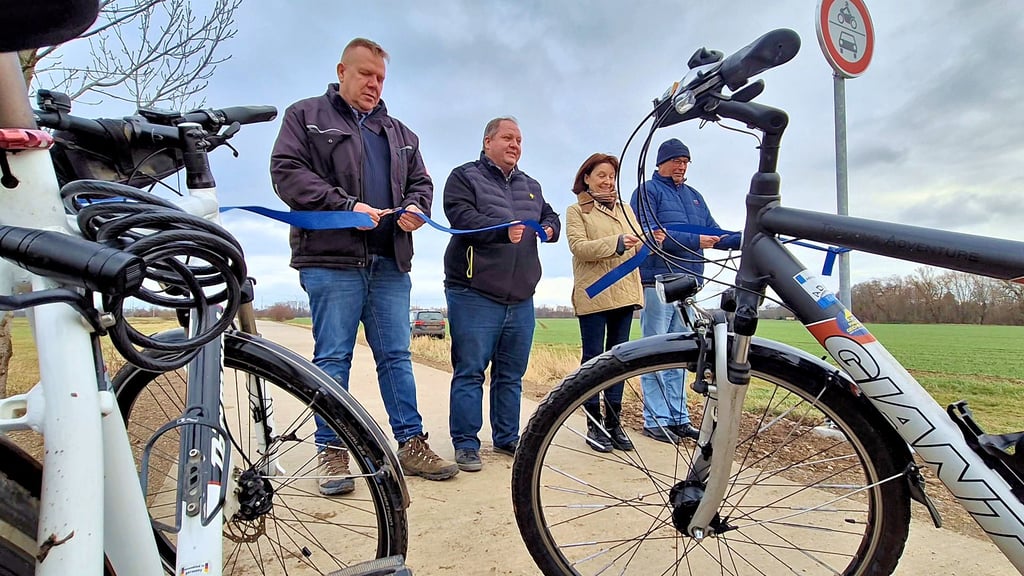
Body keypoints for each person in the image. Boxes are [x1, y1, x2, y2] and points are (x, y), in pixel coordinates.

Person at [270, 37, 458, 493]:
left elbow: (422, 183)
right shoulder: (305, 117)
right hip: (331, 260)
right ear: (341, 71)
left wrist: (415, 207)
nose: (373, 84)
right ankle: (332, 451)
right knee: (333, 357)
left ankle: (411, 444)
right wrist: (345, 205)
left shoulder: (401, 135)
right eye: (365, 74)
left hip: (389, 260)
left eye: (380, 78)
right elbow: (286, 172)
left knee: (396, 356)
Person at [442, 117, 561, 472]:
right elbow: (459, 216)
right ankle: (465, 442)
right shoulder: (464, 177)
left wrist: (551, 228)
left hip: (521, 295)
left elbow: (548, 213)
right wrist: (499, 231)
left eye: (520, 140)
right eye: (508, 138)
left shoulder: (531, 185)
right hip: (474, 292)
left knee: (511, 374)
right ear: (488, 140)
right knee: (470, 371)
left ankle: (508, 438)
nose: (515, 145)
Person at [629, 138, 740, 444]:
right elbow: (651, 235)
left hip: (690, 283)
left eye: (685, 162)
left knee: (680, 352)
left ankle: (678, 418)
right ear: (661, 163)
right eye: (676, 160)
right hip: (658, 282)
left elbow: (713, 232)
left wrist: (747, 238)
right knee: (654, 351)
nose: (681, 166)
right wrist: (697, 241)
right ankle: (655, 420)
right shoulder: (646, 191)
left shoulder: (694, 197)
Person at [566, 153, 645, 453]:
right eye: (601, 175)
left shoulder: (626, 208)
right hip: (595, 295)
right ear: (586, 178)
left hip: (624, 294)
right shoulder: (577, 211)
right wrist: (617, 243)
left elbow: (637, 239)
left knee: (619, 361)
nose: (607, 180)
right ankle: (593, 425)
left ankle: (614, 422)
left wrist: (650, 239)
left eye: (611, 175)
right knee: (593, 360)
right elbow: (579, 248)